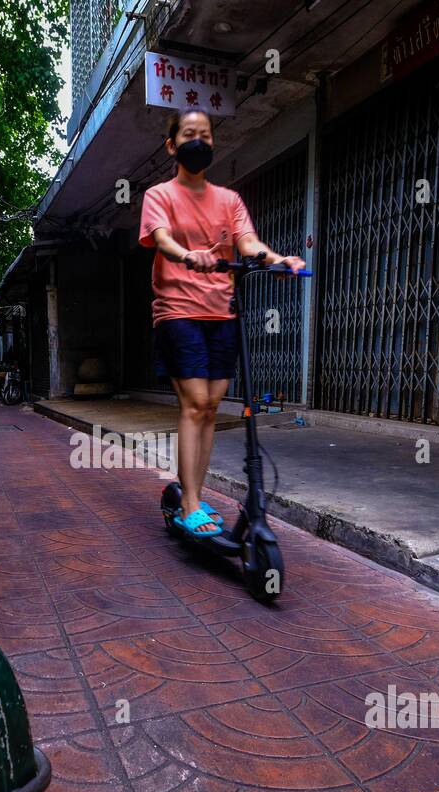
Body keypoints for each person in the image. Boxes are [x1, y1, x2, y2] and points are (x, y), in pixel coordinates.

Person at [139, 107, 306, 536]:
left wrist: (278, 259)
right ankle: (190, 502)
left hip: (222, 312)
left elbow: (247, 242)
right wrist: (186, 255)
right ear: (172, 145)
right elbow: (161, 239)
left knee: (212, 408)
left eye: (206, 135)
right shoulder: (159, 195)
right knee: (194, 404)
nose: (199, 141)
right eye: (190, 134)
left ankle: (196, 494)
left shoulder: (229, 200)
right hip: (178, 310)